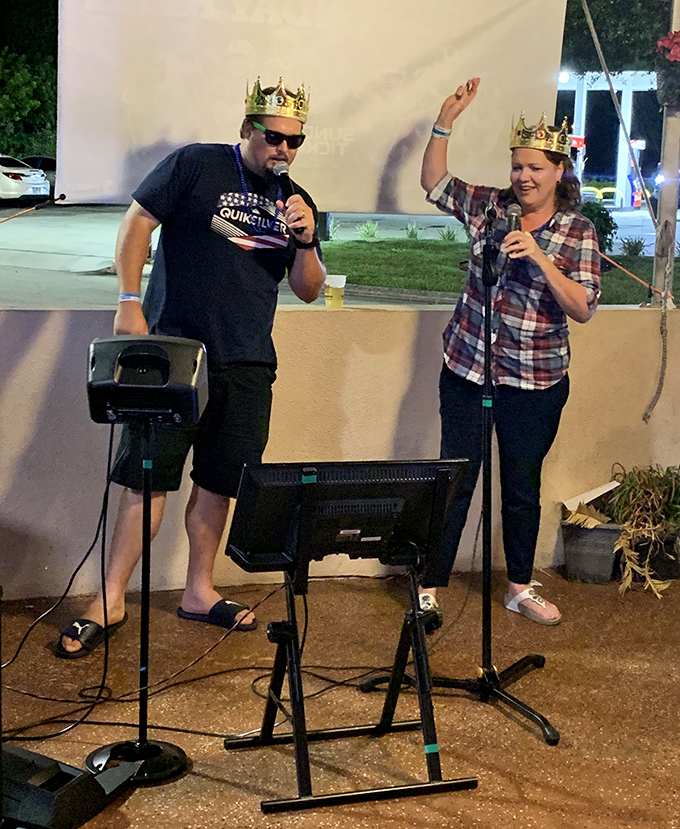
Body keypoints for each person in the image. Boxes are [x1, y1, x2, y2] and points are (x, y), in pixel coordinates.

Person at [57, 78, 326, 657]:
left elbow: (308, 289)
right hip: (175, 354)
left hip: (247, 361)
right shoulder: (196, 165)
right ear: (247, 128)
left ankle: (199, 591)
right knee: (146, 477)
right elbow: (136, 223)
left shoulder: (297, 199)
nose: (283, 149)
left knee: (220, 481)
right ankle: (110, 597)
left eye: (295, 140)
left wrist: (306, 239)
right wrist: (129, 299)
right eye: (274, 136)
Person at [418, 78, 600, 626]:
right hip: (468, 368)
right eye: (517, 166)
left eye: (535, 168)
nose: (523, 177)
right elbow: (435, 183)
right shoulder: (489, 206)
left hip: (535, 382)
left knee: (521, 486)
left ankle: (519, 586)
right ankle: (429, 584)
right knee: (455, 479)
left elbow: (583, 307)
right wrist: (445, 120)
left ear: (559, 171)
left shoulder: (577, 231)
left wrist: (541, 259)